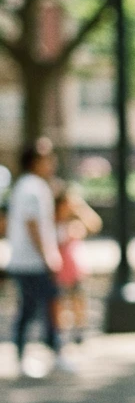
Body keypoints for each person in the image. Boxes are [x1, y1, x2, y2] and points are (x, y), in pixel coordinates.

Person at [6, 140, 72, 376]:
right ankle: (53, 352)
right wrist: (48, 256)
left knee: (32, 308)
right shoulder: (33, 187)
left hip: (25, 260)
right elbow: (33, 225)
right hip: (32, 262)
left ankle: (30, 355)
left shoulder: (27, 186)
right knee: (46, 305)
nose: (52, 162)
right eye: (47, 158)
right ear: (35, 161)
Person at [54, 186, 103, 345]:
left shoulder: (75, 220)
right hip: (59, 268)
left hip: (76, 267)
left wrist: (81, 207)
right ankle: (60, 332)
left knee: (78, 299)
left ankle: (79, 330)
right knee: (60, 301)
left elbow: (95, 224)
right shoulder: (53, 222)